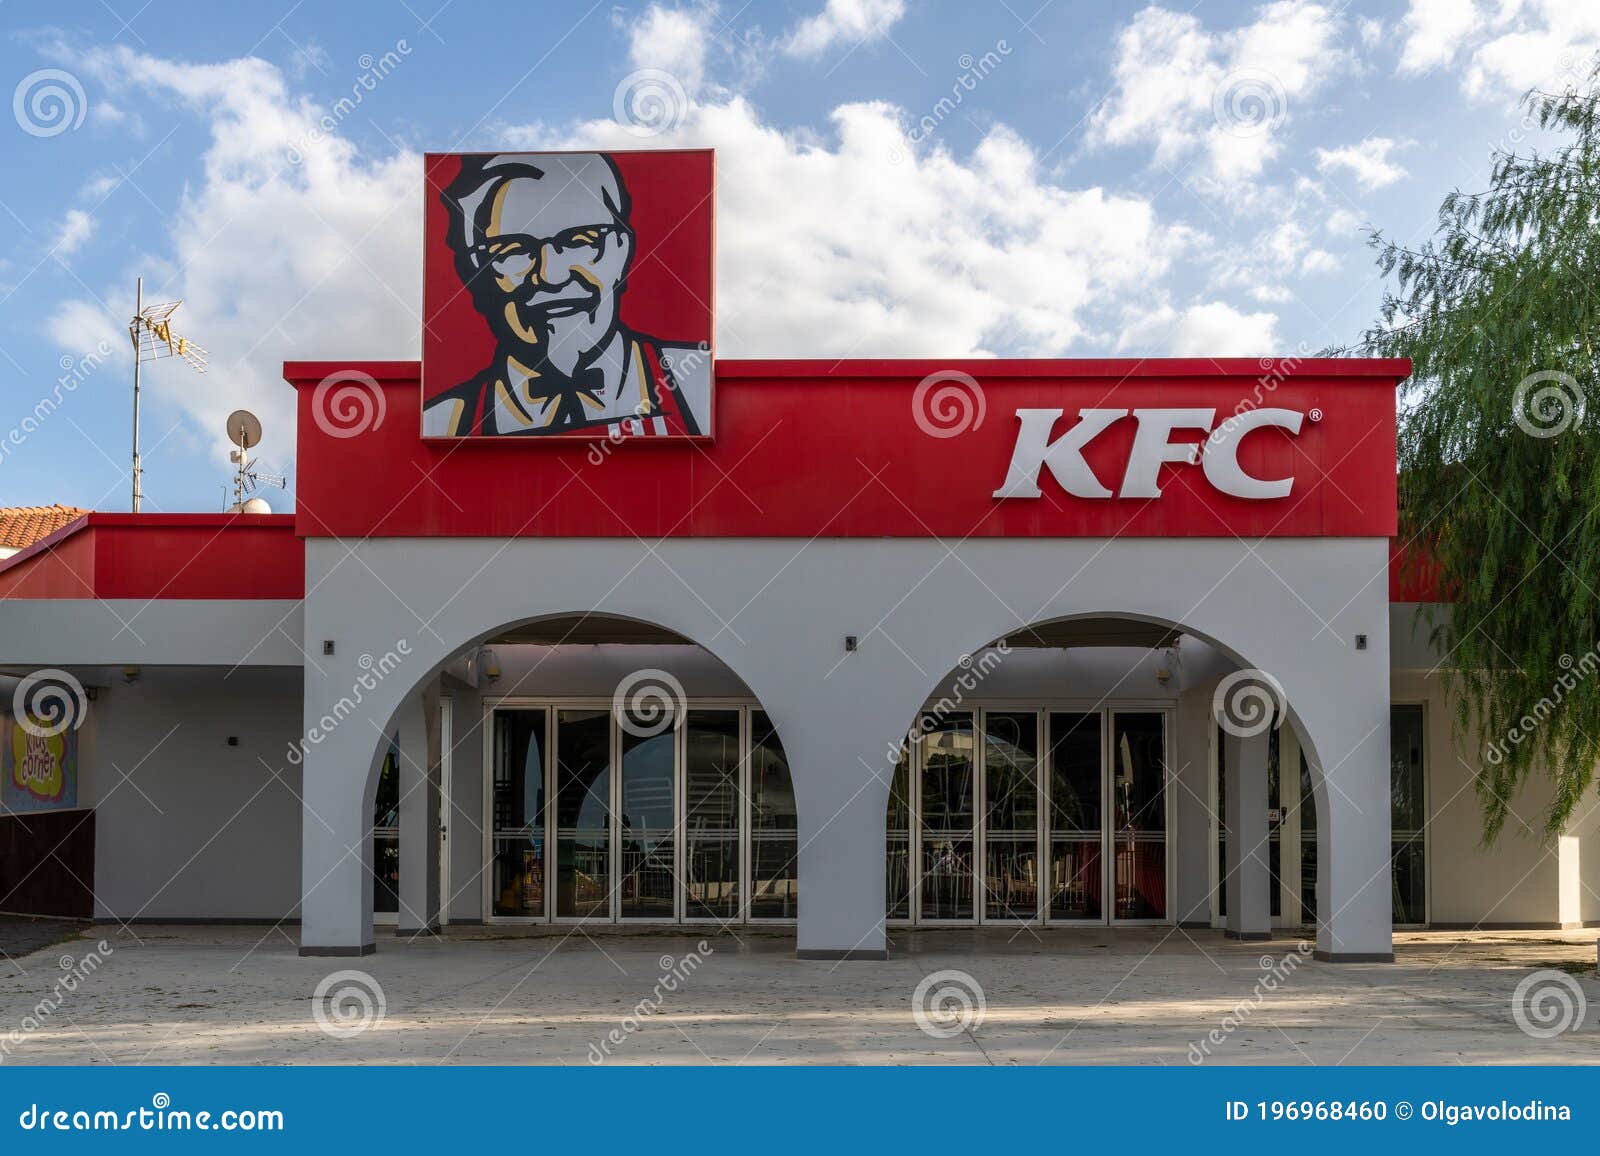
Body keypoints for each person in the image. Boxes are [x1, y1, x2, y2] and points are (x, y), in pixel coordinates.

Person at [424, 152, 709, 437]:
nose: (551, 276)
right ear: (479, 271)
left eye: (580, 241)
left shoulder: (694, 383)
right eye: (512, 250)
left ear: (622, 249)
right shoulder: (445, 421)